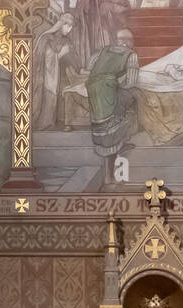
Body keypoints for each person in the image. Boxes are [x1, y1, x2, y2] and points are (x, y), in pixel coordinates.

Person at [87, 29, 139, 185]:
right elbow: (132, 82)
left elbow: (90, 67)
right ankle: (110, 175)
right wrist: (117, 83)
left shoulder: (102, 50)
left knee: (102, 124)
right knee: (133, 98)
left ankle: (121, 142)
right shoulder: (131, 55)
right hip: (109, 91)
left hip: (93, 88)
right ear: (129, 41)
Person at [32, 12, 78, 130]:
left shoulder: (66, 40)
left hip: (63, 74)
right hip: (47, 77)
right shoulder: (46, 38)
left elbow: (73, 58)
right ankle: (46, 121)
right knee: (50, 94)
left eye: (71, 27)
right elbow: (44, 59)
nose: (70, 29)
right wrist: (60, 54)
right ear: (61, 24)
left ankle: (63, 121)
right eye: (68, 26)